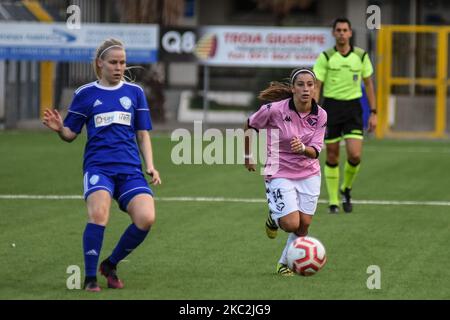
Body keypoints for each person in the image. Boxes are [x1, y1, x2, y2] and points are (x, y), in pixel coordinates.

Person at [42, 38, 161, 292]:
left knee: (146, 218)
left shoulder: (135, 93)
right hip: (99, 168)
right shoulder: (86, 94)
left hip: (130, 170)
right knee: (98, 215)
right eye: (113, 62)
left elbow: (142, 134)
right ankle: (89, 278)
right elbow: (70, 135)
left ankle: (110, 264)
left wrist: (151, 165)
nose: (119, 67)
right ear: (100, 63)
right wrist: (60, 129)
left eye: (123, 62)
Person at [244, 69, 327, 275]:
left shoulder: (321, 115)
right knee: (291, 224)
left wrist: (303, 149)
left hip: (309, 173)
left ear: (315, 88)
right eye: (301, 84)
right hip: (279, 170)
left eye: (310, 84)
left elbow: (315, 151)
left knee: (303, 226)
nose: (306, 89)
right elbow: (250, 124)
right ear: (293, 88)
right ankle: (275, 214)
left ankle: (284, 263)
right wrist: (248, 155)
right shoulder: (274, 110)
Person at [313, 17, 377, 214]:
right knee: (332, 153)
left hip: (353, 109)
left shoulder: (361, 56)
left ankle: (346, 188)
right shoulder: (326, 56)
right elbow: (317, 85)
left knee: (355, 155)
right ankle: (333, 201)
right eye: (338, 30)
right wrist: (313, 112)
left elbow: (369, 84)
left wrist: (374, 112)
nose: (341, 33)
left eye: (345, 30)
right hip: (331, 107)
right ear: (333, 33)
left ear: (350, 33)